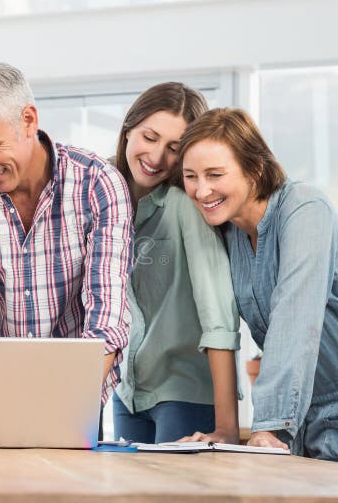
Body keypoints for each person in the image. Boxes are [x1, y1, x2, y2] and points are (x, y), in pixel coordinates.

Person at [178, 107, 338, 466]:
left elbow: (295, 316)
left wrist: (269, 426)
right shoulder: (230, 231)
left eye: (215, 174)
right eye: (191, 176)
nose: (201, 189)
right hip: (305, 414)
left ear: (255, 168)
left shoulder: (305, 208)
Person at [0, 61, 133, 404]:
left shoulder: (98, 184)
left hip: (75, 386)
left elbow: (106, 315)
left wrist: (65, 404)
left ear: (28, 120)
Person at [111, 83, 241, 445]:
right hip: (128, 393)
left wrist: (228, 426)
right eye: (149, 137)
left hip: (185, 392)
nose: (157, 156)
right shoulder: (104, 202)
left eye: (174, 148)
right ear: (128, 131)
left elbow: (218, 312)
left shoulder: (185, 204)